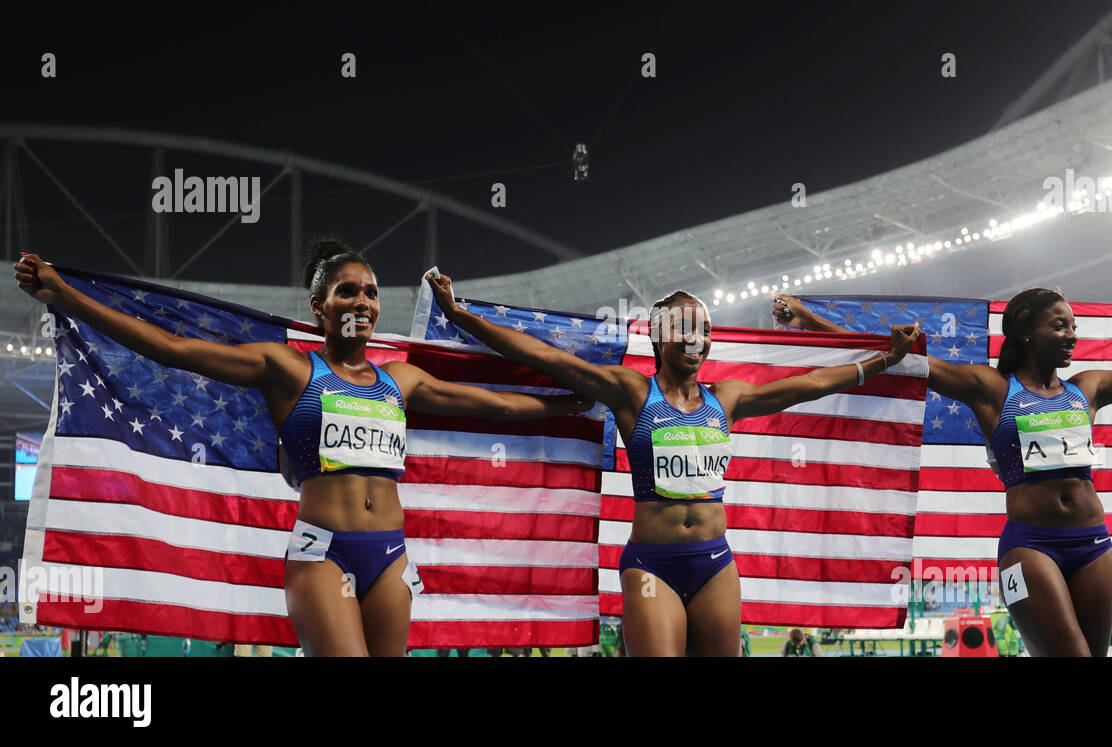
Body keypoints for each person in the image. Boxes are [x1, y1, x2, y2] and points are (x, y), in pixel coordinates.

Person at [13, 242, 585, 656]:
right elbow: (172, 348)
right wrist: (66, 295)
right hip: (323, 554)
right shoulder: (287, 368)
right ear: (320, 307)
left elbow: (497, 407)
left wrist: (571, 404)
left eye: (371, 292)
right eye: (347, 291)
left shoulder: (402, 381)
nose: (362, 300)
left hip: (392, 557)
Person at [428, 273, 919, 656]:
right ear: (659, 336)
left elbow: (813, 383)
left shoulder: (726, 399)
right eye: (684, 328)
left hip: (716, 564)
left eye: (703, 330)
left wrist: (884, 359)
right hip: (651, 567)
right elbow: (545, 357)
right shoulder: (631, 391)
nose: (695, 339)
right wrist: (459, 314)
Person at [774, 276, 1112, 656]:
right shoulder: (993, 390)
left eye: (1073, 325)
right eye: (1060, 325)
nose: (1072, 334)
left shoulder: (1085, 389)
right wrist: (807, 318)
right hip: (1030, 547)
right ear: (1027, 331)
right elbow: (897, 360)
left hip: (1094, 544)